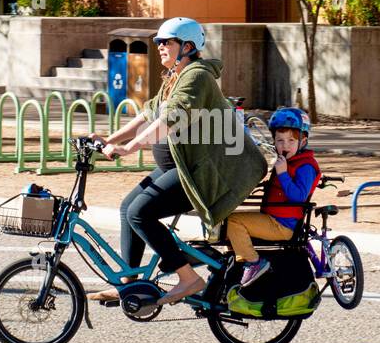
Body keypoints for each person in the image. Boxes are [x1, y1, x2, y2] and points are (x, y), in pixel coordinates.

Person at [92, 17, 267, 306]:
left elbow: (171, 116)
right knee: (127, 209)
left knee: (140, 213)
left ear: (187, 46)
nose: (159, 46)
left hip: (200, 173)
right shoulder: (175, 76)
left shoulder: (197, 76)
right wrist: (111, 139)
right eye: (158, 42)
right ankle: (129, 283)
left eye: (166, 42)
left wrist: (130, 148)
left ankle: (188, 278)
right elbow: (148, 114)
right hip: (177, 167)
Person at [225, 107, 320, 287]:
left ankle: (253, 263)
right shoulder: (285, 161)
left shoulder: (305, 166)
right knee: (227, 225)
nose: (285, 146)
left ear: (303, 141)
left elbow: (298, 196)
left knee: (233, 222)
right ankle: (236, 266)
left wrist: (283, 173)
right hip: (272, 219)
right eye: (279, 140)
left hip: (283, 226)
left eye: (291, 141)